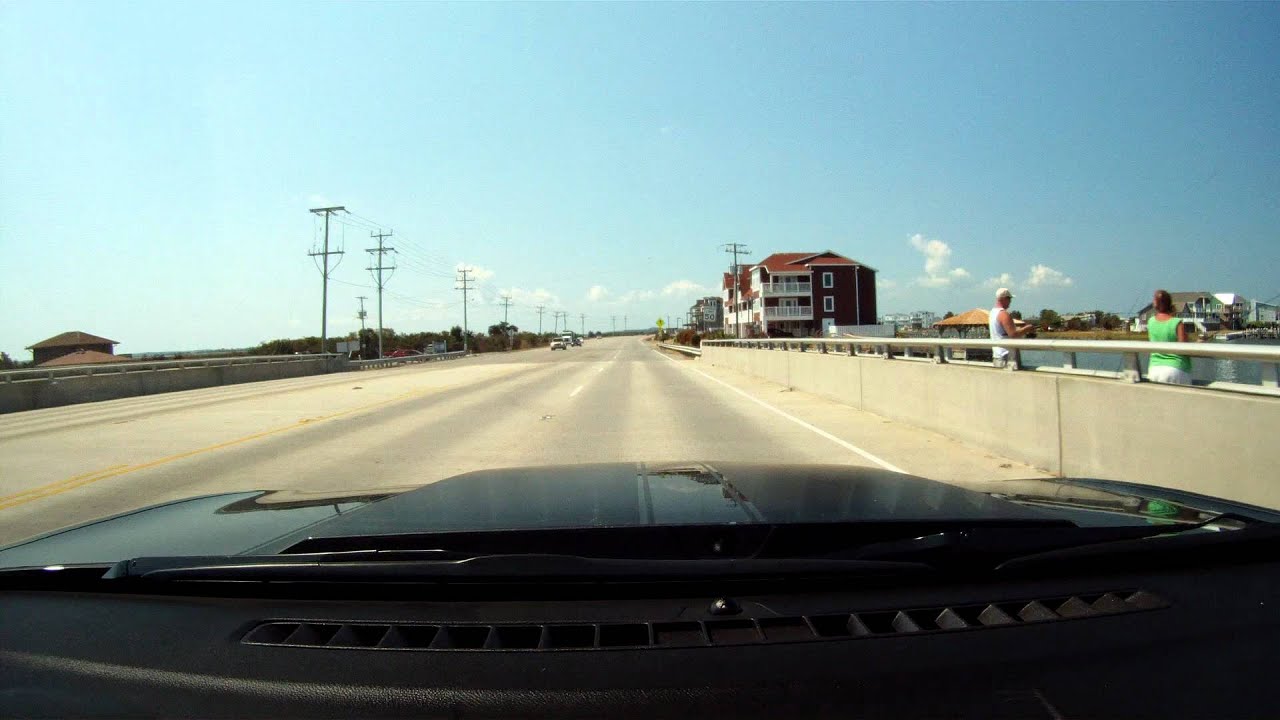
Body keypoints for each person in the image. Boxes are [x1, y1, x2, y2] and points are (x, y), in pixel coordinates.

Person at [1147, 289, 1192, 385]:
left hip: (1154, 370)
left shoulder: (1150, 322)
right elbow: (1185, 349)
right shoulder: (1177, 323)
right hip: (1176, 369)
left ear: (1155, 304)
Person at [989, 287, 1034, 367]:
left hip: (997, 355)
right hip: (1007, 355)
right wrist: (1027, 328)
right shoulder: (1003, 314)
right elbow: (1013, 334)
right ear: (1004, 299)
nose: (1010, 301)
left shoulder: (992, 313)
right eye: (1009, 299)